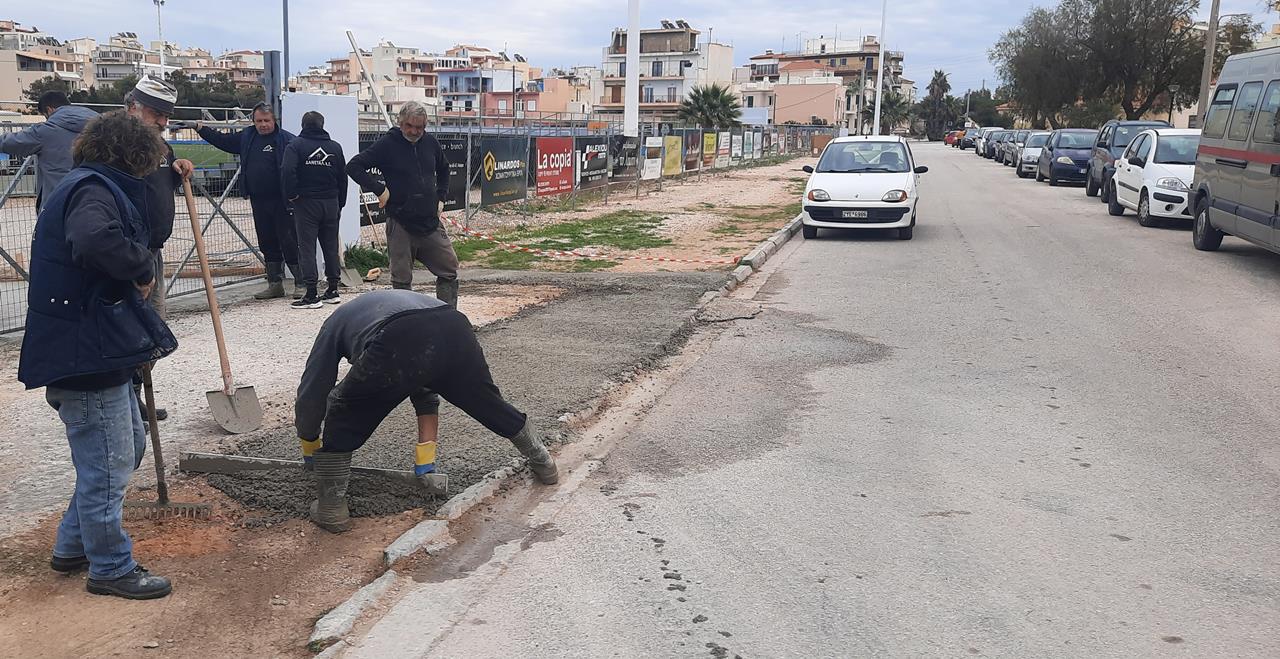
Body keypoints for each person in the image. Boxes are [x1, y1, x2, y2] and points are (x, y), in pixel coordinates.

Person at [18, 110, 178, 600]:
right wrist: (140, 266)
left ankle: (72, 544)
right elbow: (93, 239)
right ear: (133, 155)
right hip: (84, 350)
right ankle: (109, 566)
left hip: (92, 343)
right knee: (107, 464)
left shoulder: (88, 182)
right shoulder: (93, 191)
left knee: (126, 444)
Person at [294, 290, 558, 533]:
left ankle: (331, 509)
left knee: (344, 410)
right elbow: (422, 381)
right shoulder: (382, 307)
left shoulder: (333, 325)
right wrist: (425, 463)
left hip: (399, 332)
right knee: (487, 403)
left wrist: (310, 445)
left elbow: (313, 390)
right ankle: (544, 462)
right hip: (454, 325)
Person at [124, 75, 194, 421]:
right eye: (156, 113)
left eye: (167, 115)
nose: (164, 122)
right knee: (129, 330)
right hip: (126, 256)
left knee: (151, 329)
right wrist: (132, 264)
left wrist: (176, 169)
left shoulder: (162, 148)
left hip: (152, 254)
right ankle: (122, 401)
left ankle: (135, 395)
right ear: (133, 107)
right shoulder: (115, 149)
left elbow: (156, 190)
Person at [345, 101, 460, 306]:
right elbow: (354, 166)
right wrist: (380, 189)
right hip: (401, 222)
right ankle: (405, 324)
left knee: (449, 269)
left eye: (420, 127)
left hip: (429, 222)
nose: (414, 131)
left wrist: (441, 197)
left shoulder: (430, 143)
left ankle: (448, 319)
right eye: (410, 126)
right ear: (400, 122)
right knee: (401, 279)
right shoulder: (387, 145)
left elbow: (444, 168)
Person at [195, 103, 301, 299]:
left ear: (274, 120)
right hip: (258, 200)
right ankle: (275, 284)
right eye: (259, 121)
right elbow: (223, 140)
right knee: (267, 242)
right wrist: (202, 129)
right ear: (253, 121)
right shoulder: (247, 136)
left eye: (266, 121)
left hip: (282, 201)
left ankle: (301, 283)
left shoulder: (287, 140)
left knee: (289, 241)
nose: (263, 125)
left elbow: (298, 168)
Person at [282, 111, 347, 309]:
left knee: (307, 247)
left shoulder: (295, 146)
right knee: (330, 246)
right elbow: (342, 177)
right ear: (322, 124)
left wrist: (291, 195)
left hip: (307, 203)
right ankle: (333, 289)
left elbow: (287, 171)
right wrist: (340, 203)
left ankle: (311, 293)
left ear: (303, 125)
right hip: (331, 202)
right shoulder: (334, 147)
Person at [0, 90, 98, 210]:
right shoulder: (102, 125)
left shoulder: (46, 131)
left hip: (59, 201)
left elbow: (10, 142)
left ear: (50, 110)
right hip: (98, 199)